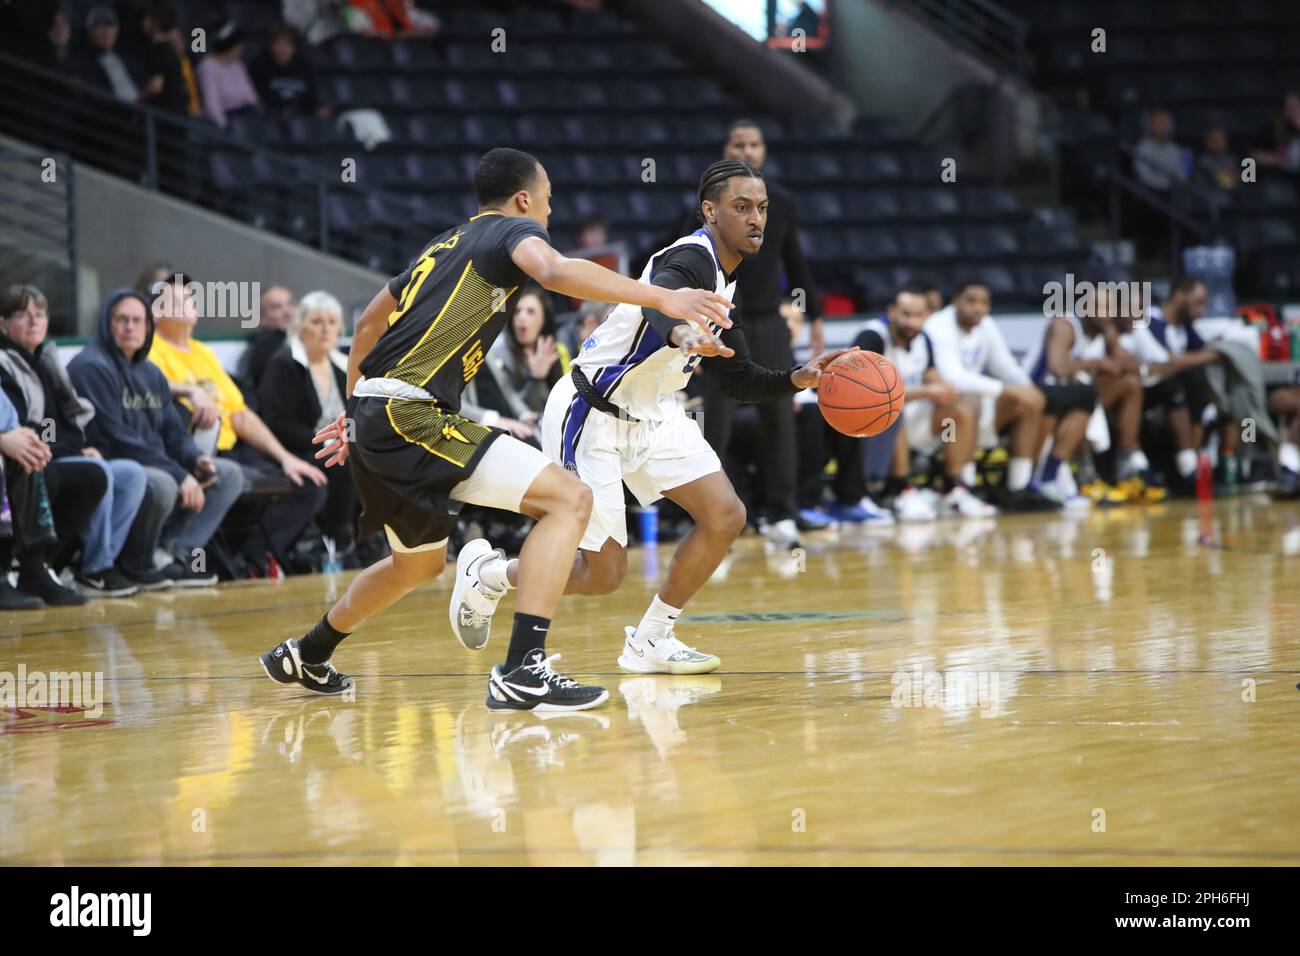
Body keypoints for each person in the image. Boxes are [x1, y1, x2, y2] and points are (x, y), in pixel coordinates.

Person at [267, 146, 733, 711]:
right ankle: (522, 669)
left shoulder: (442, 245)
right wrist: (664, 296)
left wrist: (357, 405)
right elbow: (558, 271)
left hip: (381, 412)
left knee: (417, 564)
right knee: (568, 500)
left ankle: (309, 652)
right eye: (547, 202)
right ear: (522, 199)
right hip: (413, 413)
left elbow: (369, 321)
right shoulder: (508, 232)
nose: (549, 215)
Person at [460, 159, 847, 676]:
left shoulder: (728, 283)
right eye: (742, 207)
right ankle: (491, 574)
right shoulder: (690, 257)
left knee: (726, 515)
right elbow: (658, 305)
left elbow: (735, 376)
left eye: (762, 208)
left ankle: (651, 639)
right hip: (591, 411)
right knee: (604, 574)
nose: (757, 219)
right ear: (710, 211)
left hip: (654, 415)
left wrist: (796, 378)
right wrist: (682, 334)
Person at [697, 120, 826, 545]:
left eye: (755, 144)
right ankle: (710, 518)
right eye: (740, 144)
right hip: (723, 321)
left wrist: (815, 317)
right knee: (716, 424)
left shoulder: (782, 204)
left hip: (769, 321)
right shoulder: (708, 206)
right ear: (726, 150)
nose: (749, 151)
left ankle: (781, 513)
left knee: (781, 420)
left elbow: (798, 265)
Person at [147, 275, 327, 573]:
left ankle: (248, 557)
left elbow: (240, 414)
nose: (187, 304)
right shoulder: (151, 350)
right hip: (196, 453)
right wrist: (188, 391)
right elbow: (152, 386)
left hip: (235, 449)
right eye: (176, 301)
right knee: (233, 479)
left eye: (189, 299)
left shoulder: (203, 352)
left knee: (309, 484)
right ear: (156, 314)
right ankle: (183, 556)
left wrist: (286, 458)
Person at [68, 290, 241, 586]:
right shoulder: (91, 367)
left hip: (154, 461)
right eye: (121, 320)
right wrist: (178, 473)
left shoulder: (150, 372)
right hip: (113, 461)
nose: (130, 327)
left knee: (226, 474)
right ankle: (138, 563)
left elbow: (172, 431)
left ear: (148, 327)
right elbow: (116, 438)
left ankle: (170, 554)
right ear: (106, 323)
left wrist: (194, 459)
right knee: (162, 482)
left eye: (137, 321)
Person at [0, 285, 147, 597]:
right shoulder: (6, 363)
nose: (33, 322)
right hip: (34, 454)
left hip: (54, 451)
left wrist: (86, 447)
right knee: (88, 473)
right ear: (3, 323)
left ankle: (66, 565)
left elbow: (72, 420)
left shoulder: (47, 360)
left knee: (126, 474)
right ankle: (48, 568)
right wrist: (70, 448)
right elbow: (30, 426)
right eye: (23, 315)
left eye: (39, 314)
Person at [923, 281, 1055, 513]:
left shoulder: (987, 326)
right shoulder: (937, 326)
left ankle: (1018, 487)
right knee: (969, 401)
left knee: (1029, 402)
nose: (978, 308)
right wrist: (1007, 390)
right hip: (942, 416)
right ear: (955, 300)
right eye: (971, 301)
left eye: (984, 303)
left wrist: (1026, 388)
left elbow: (1006, 367)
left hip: (976, 408)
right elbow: (954, 378)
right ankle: (963, 487)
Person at [258, 291, 357, 553]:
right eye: (316, 322)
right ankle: (339, 538)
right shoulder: (284, 363)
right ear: (300, 327)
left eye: (332, 322)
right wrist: (328, 439)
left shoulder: (344, 365)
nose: (325, 329)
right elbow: (277, 423)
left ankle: (378, 536)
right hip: (299, 449)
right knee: (343, 457)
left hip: (340, 444)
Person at [487, 284, 571, 418]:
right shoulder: (499, 354)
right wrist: (536, 379)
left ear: (544, 319)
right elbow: (517, 412)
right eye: (517, 311)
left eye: (530, 312)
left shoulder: (556, 349)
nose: (521, 317)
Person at [196, 21, 260, 128]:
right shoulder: (208, 66)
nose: (241, 47)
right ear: (230, 46)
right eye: (238, 44)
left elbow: (251, 96)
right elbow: (212, 103)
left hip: (247, 116)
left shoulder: (238, 65)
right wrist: (224, 127)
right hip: (229, 119)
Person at [237, 285, 296, 397]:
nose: (287, 311)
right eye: (276, 307)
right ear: (261, 317)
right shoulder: (266, 346)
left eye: (290, 304)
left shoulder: (300, 339)